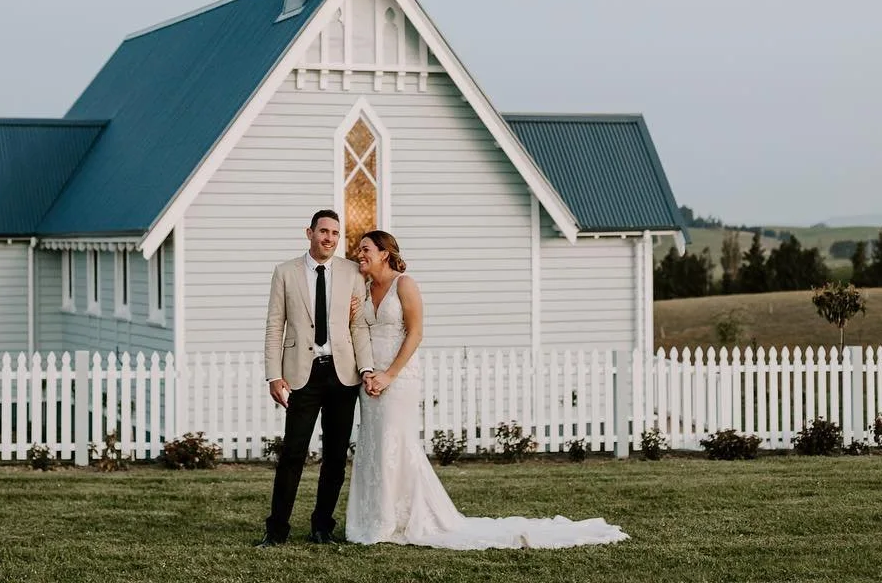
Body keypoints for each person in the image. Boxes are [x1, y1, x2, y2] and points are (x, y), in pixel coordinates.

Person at [345, 229, 629, 549]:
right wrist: (368, 370)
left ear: (384, 253)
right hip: (371, 381)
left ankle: (404, 518)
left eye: (366, 248)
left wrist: (390, 375)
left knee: (395, 443)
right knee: (374, 445)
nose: (359, 253)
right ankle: (374, 517)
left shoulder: (405, 285)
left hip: (399, 377)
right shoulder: (365, 288)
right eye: (359, 248)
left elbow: (415, 334)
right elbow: (359, 332)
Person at [258, 210, 375, 546]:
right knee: (293, 453)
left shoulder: (352, 272)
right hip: (300, 375)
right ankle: (276, 531)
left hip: (343, 375)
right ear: (309, 233)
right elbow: (273, 326)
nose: (330, 238)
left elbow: (359, 327)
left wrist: (366, 368)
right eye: (324, 231)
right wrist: (273, 376)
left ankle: (322, 527)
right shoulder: (285, 273)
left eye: (336, 233)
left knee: (336, 456)